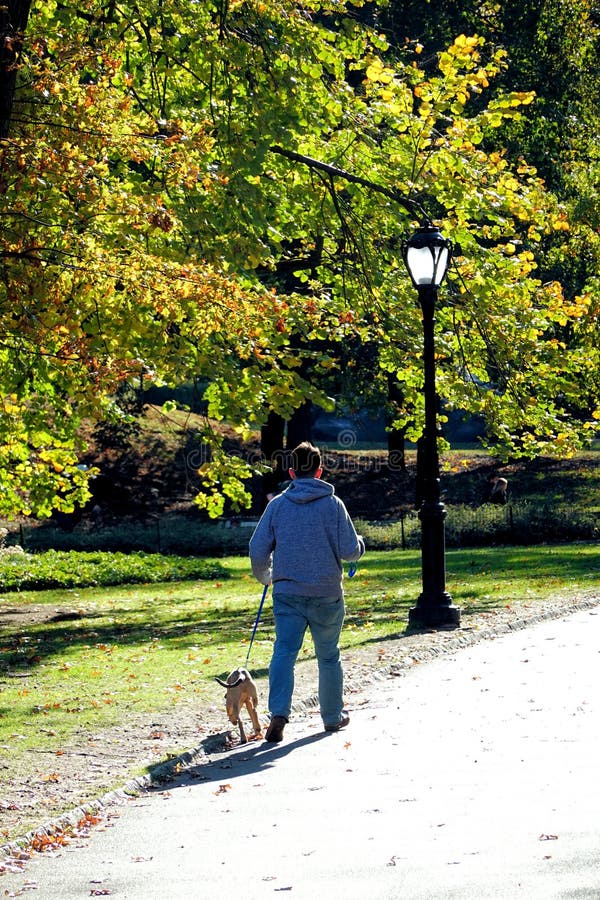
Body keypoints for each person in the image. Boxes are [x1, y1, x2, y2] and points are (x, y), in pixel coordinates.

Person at [249, 441, 365, 743]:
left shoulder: (277, 506)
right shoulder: (333, 504)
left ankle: (278, 713)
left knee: (284, 652)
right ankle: (331, 716)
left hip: (288, 592)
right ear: (319, 471)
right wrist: (361, 545)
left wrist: (267, 577)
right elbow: (350, 551)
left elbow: (257, 549)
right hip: (327, 591)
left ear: (291, 472)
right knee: (328, 656)